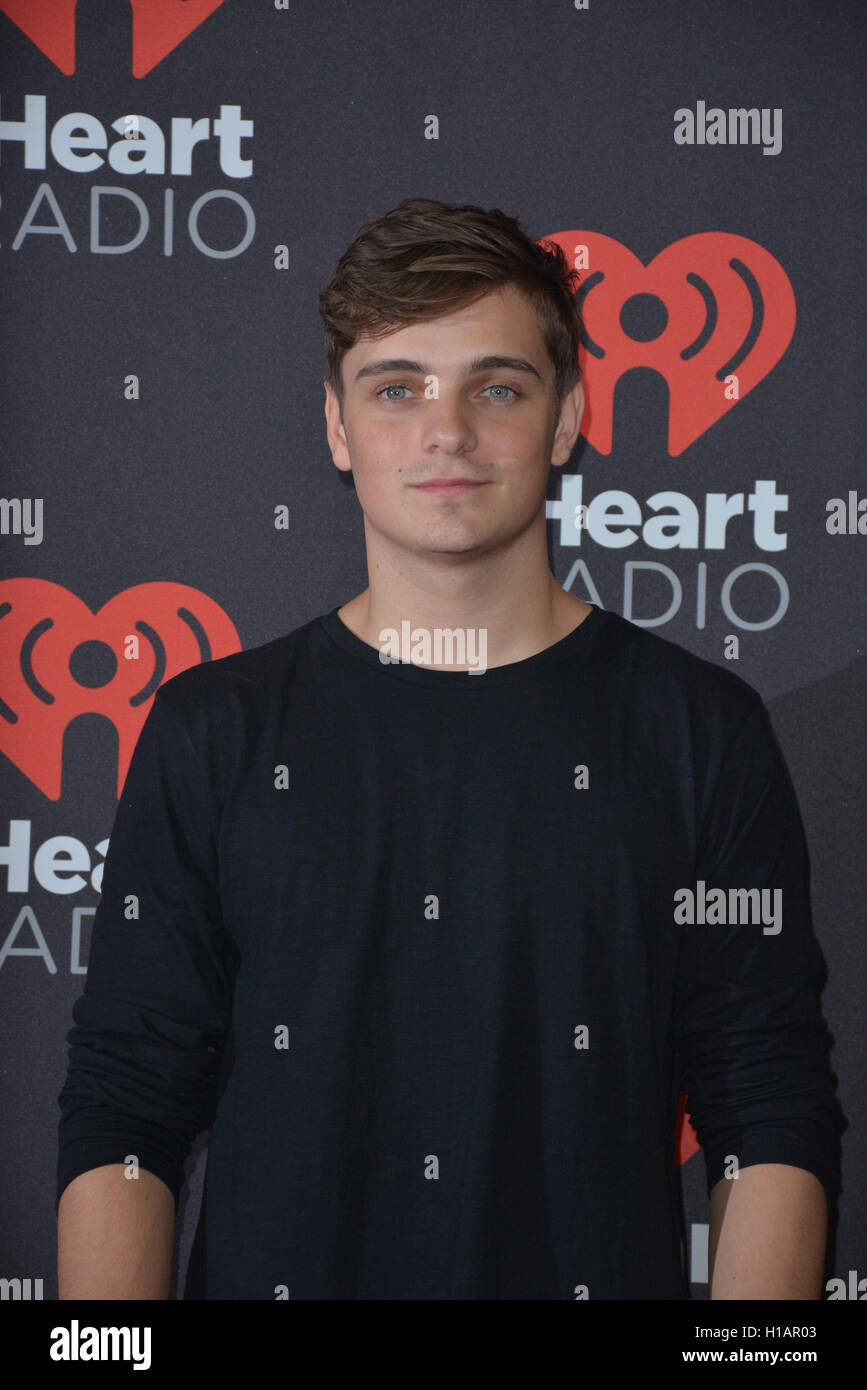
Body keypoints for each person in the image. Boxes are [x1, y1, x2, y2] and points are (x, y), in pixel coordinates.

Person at [56, 197, 840, 1300]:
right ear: (337, 428)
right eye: (397, 388)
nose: (447, 431)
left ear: (567, 419)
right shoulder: (211, 731)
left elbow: (767, 1103)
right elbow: (128, 1100)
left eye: (498, 387)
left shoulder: (701, 731)